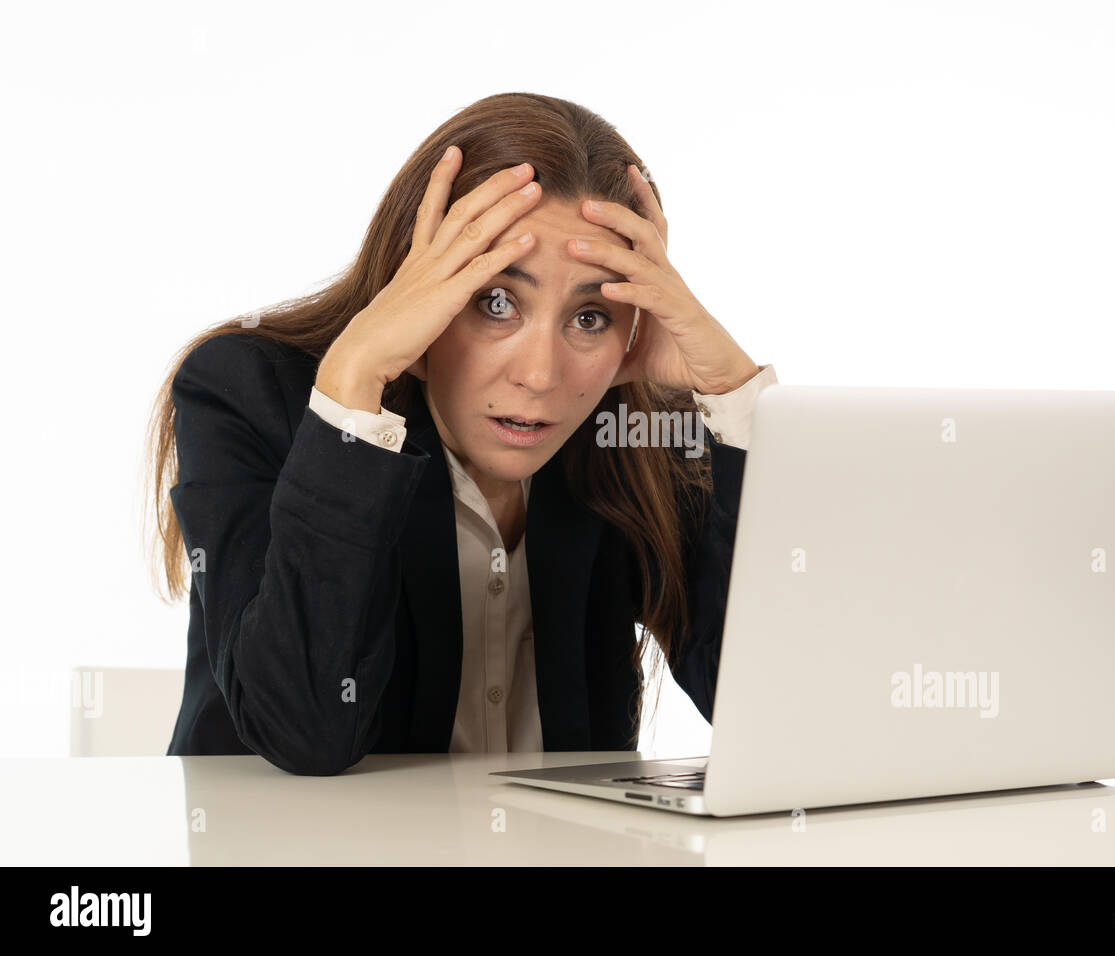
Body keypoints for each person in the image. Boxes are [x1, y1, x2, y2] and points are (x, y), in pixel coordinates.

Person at [145, 92, 778, 775]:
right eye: (496, 302)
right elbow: (304, 730)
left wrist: (738, 401)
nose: (540, 375)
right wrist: (357, 383)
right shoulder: (251, 391)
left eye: (590, 315)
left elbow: (773, 710)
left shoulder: (631, 430)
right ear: (417, 292)